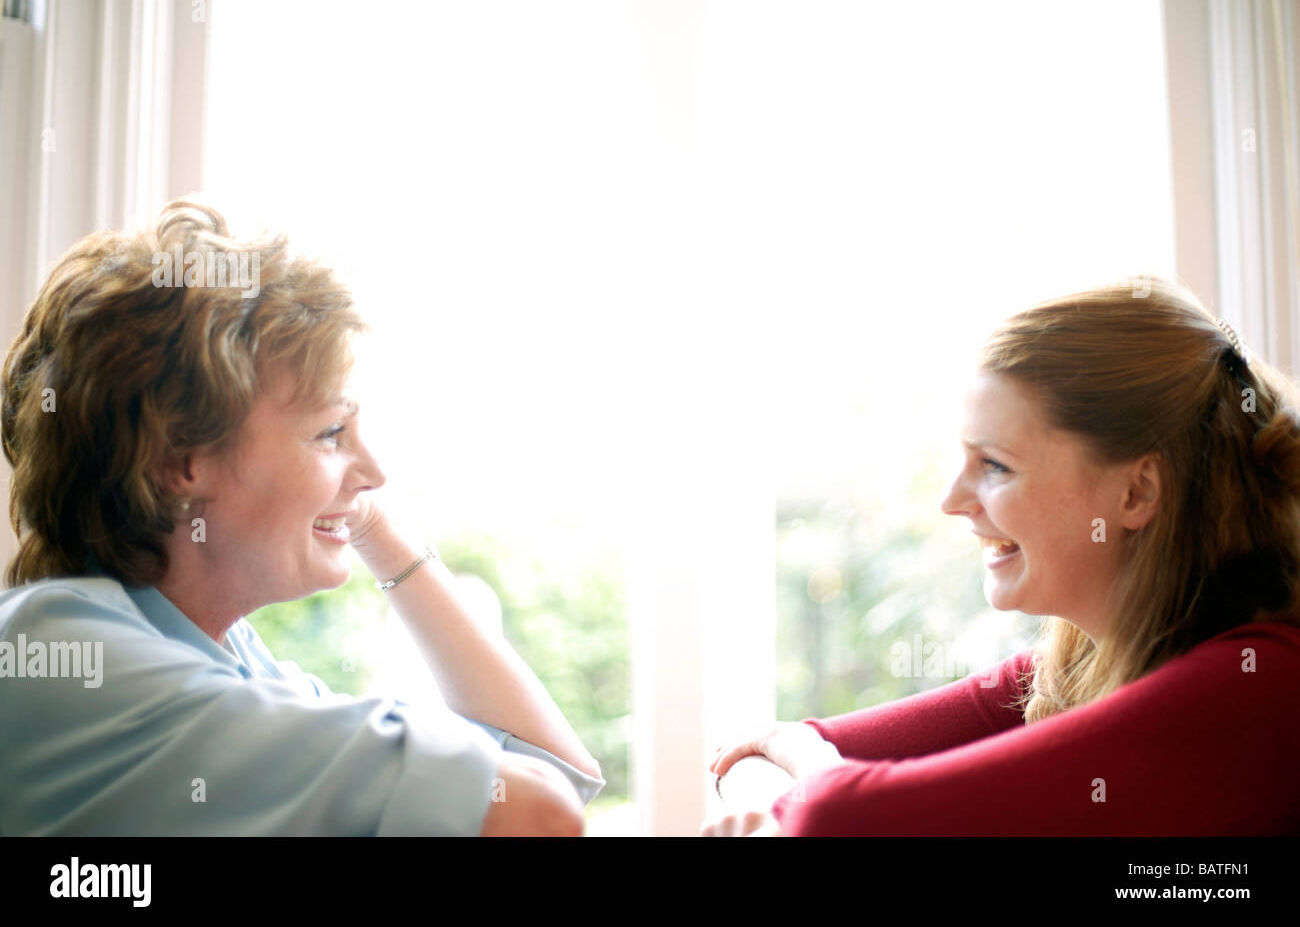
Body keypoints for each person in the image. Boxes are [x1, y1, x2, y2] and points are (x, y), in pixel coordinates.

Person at [0, 199, 603, 835]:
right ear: (182, 462)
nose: (375, 473)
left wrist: (368, 523)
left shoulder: (225, 657)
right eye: (330, 432)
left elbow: (554, 778)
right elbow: (535, 817)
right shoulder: (64, 653)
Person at [705, 278, 1300, 835]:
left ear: (1137, 492)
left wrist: (791, 786)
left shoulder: (1258, 679)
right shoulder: (1077, 659)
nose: (950, 501)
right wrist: (785, 788)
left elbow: (845, 812)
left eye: (994, 465)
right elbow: (772, 750)